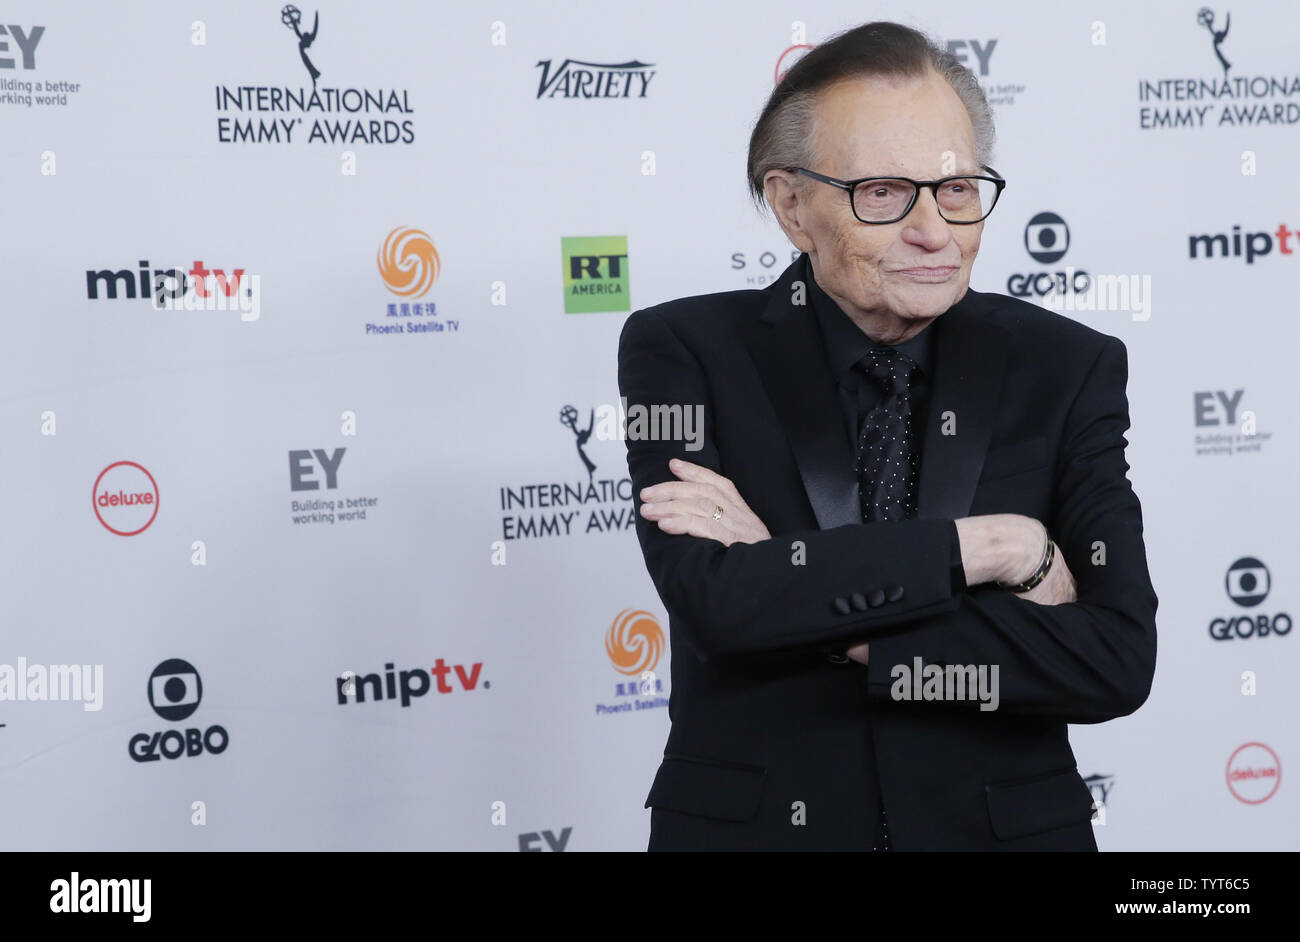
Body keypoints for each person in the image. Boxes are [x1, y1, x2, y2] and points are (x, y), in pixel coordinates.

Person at [616, 21, 1157, 851]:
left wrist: (807, 600)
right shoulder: (684, 351)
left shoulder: (1067, 365)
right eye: (882, 194)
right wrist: (993, 550)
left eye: (958, 190)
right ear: (792, 206)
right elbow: (720, 607)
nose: (934, 231)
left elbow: (1115, 659)